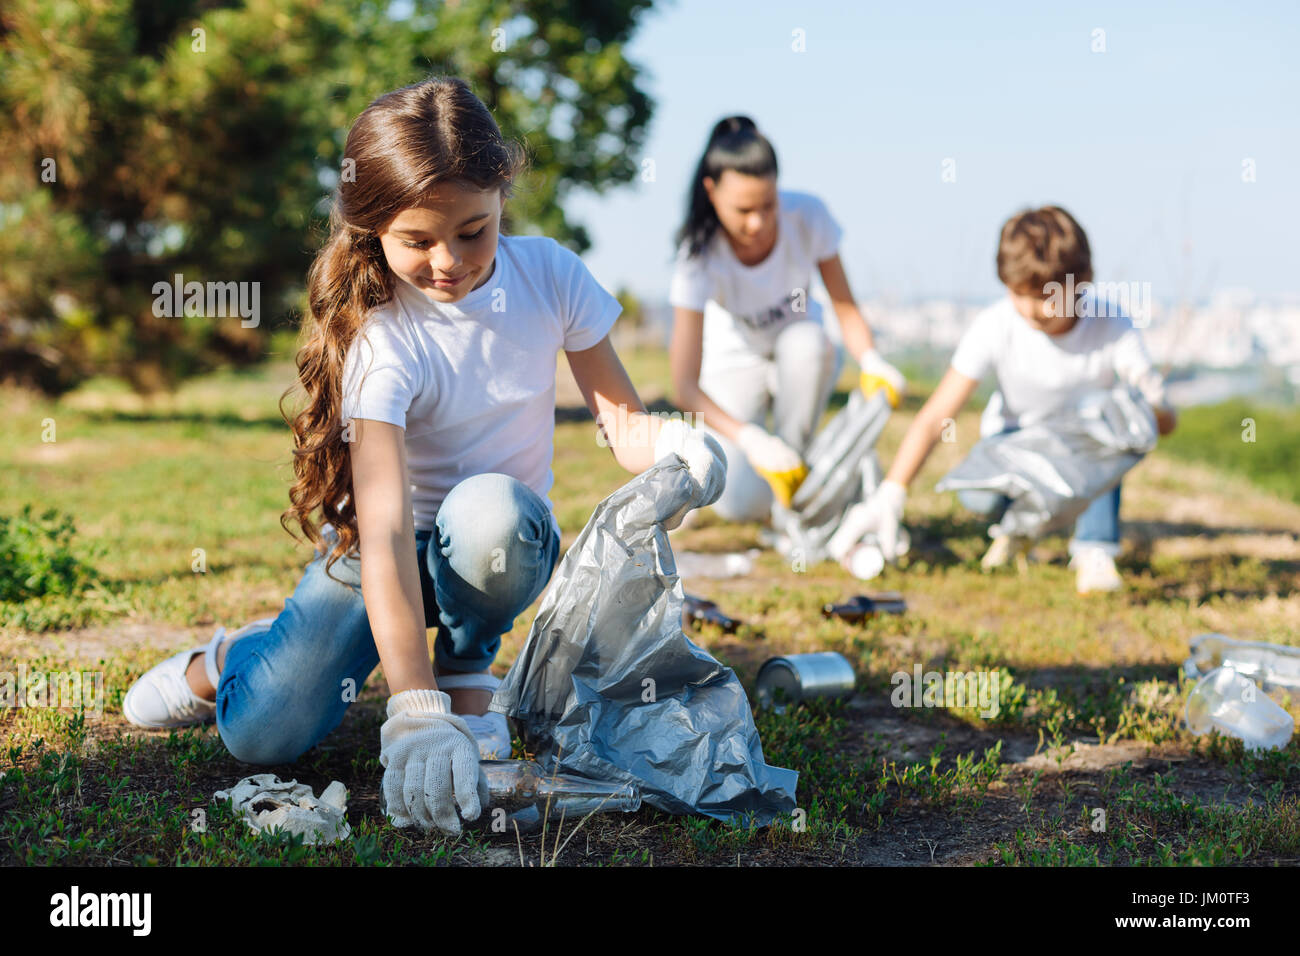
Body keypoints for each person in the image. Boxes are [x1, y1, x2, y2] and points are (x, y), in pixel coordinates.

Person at [122, 76, 725, 836]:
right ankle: (230, 658)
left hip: (491, 545)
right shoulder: (381, 339)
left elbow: (623, 424)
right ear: (372, 229)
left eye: (474, 230)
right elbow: (381, 533)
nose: (450, 261)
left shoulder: (552, 277)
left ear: (503, 191)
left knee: (491, 513)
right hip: (384, 553)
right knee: (263, 737)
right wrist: (410, 708)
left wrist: (675, 441)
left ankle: (468, 664)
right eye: (418, 241)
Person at [829, 205, 1177, 594]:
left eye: (1046, 297)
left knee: (1111, 433)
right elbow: (937, 415)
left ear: (1083, 282)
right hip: (1014, 446)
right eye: (1018, 295)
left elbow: (1162, 424)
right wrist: (892, 492)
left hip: (1084, 450)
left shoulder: (1111, 326)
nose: (1032, 310)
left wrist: (1149, 407)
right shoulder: (997, 325)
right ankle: (1018, 529)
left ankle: (1095, 549)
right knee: (976, 496)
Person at [667, 116, 905, 522]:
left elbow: (844, 308)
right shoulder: (698, 257)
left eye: (767, 205)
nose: (757, 223)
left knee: (807, 343)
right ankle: (780, 479)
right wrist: (752, 440)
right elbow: (684, 387)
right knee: (742, 504)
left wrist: (871, 360)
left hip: (801, 352)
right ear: (711, 191)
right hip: (735, 361)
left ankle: (799, 482)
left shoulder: (808, 216)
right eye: (743, 210)